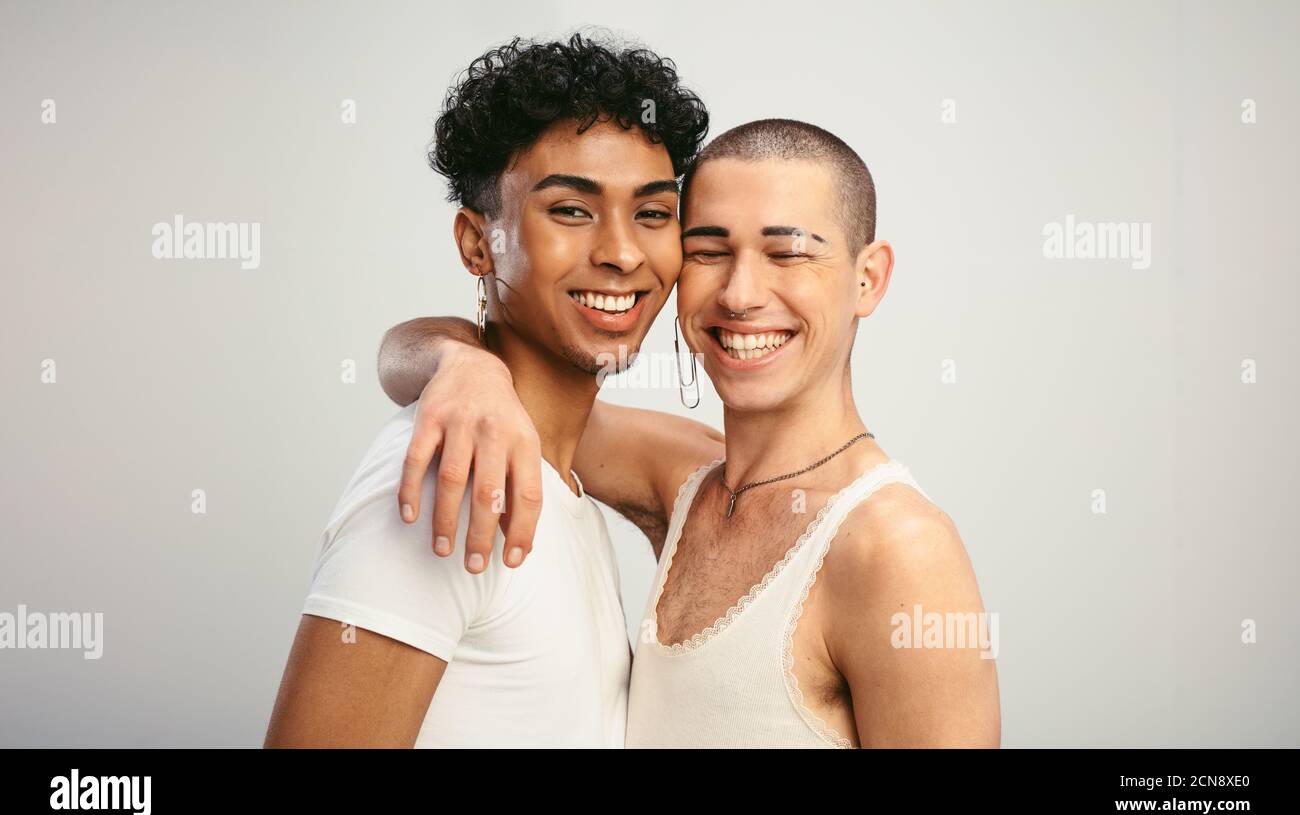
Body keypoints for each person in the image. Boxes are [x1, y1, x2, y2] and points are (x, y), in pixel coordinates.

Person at [380, 118, 1001, 747]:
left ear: (868, 278)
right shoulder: (682, 476)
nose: (740, 295)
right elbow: (515, 400)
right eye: (708, 251)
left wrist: (466, 370)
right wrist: (461, 364)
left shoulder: (898, 548)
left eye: (787, 253)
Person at [264, 33, 712, 747]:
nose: (623, 252)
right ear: (478, 244)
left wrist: (456, 358)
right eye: (570, 210)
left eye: (653, 213)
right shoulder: (451, 474)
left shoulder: (561, 477)